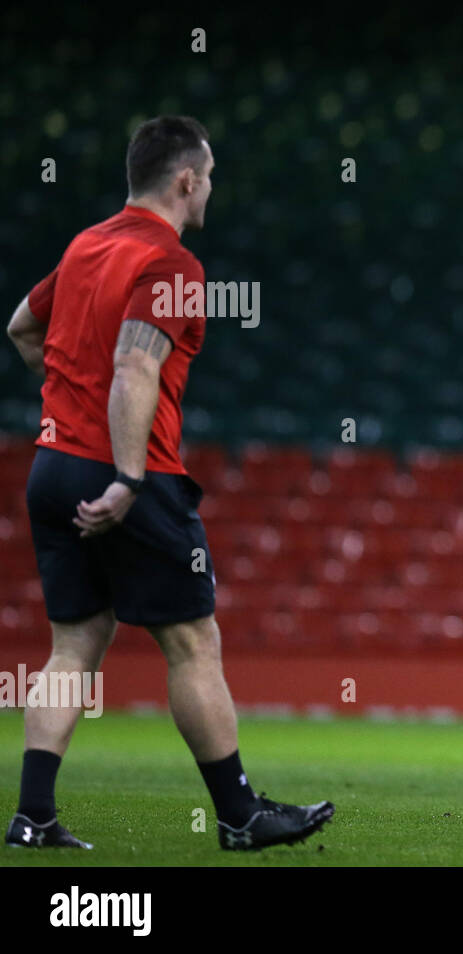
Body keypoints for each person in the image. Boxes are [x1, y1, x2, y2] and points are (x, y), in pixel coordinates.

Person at [4, 116, 333, 850]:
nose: (211, 188)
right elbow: (134, 366)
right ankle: (241, 815)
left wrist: (71, 407)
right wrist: (123, 476)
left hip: (52, 464)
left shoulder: (86, 244)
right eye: (209, 176)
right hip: (131, 472)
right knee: (192, 643)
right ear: (186, 180)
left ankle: (32, 816)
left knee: (74, 643)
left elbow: (23, 330)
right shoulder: (172, 265)